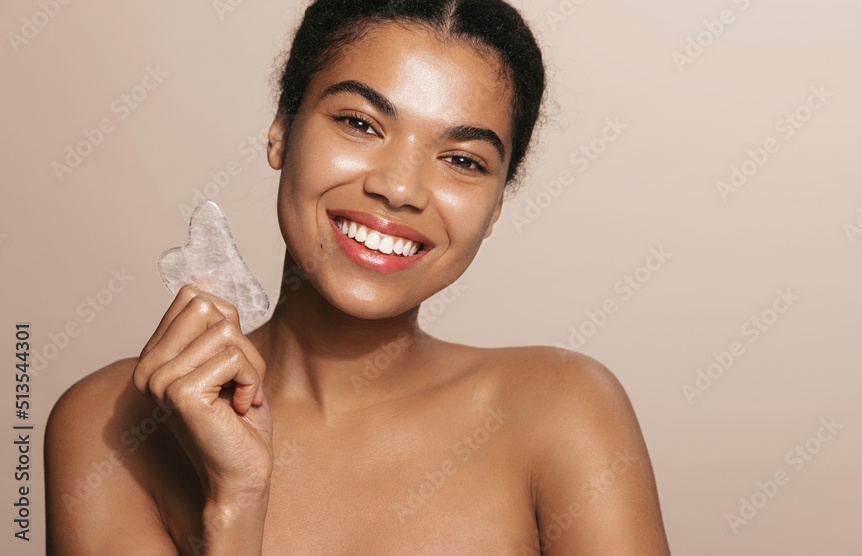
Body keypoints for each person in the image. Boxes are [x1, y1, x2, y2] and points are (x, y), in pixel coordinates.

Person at [44, 1, 671, 553]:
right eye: (361, 124)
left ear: (496, 206)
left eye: (461, 159)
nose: (398, 189)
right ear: (283, 131)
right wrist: (236, 499)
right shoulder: (111, 427)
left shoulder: (562, 410)